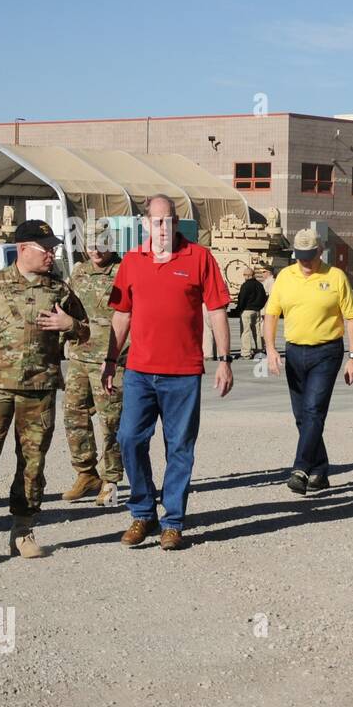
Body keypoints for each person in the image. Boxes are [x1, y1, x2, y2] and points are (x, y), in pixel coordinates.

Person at [0, 220, 90, 561]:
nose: (52, 255)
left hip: (39, 390)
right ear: (24, 249)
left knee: (32, 462)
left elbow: (85, 332)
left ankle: (22, 531)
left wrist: (71, 325)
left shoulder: (59, 290)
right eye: (46, 249)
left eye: (53, 249)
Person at [102, 194, 233, 551]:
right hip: (140, 372)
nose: (164, 228)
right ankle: (143, 513)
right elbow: (122, 315)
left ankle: (172, 521)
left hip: (183, 373)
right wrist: (111, 359)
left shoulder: (200, 257)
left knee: (180, 448)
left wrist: (224, 359)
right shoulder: (132, 261)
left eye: (170, 220)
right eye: (157, 221)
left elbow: (217, 310)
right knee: (129, 439)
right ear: (145, 224)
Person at [263, 229, 353, 494]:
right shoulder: (285, 276)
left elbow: (351, 318)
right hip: (294, 352)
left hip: (327, 352)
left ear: (320, 251)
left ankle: (301, 469)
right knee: (301, 416)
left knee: (313, 410)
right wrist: (270, 349)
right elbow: (271, 314)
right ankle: (320, 469)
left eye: (310, 256)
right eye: (300, 257)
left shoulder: (336, 277)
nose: (305, 263)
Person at [63, 235, 125, 505]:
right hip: (79, 355)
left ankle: (110, 479)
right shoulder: (78, 271)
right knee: (73, 417)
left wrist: (119, 354)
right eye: (90, 245)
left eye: (101, 245)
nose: (95, 251)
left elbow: (133, 315)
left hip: (110, 359)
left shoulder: (124, 272)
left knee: (110, 421)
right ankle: (86, 473)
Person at [234, 265, 267, 360]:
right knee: (257, 331)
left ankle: (246, 353)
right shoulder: (259, 285)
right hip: (256, 311)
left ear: (247, 275)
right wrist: (258, 307)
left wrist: (240, 309)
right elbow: (264, 298)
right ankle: (259, 350)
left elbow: (242, 299)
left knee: (245, 332)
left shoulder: (246, 285)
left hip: (246, 311)